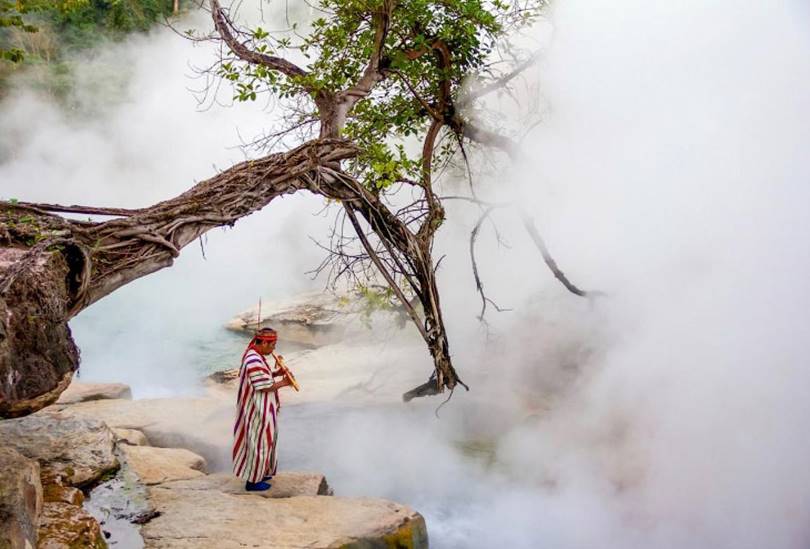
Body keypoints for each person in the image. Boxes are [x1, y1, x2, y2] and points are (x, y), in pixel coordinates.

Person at [232, 327, 292, 491]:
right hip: (257, 409)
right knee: (259, 442)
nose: (274, 348)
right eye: (272, 344)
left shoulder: (255, 355)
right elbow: (264, 386)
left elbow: (263, 377)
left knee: (268, 440)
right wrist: (285, 382)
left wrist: (277, 373)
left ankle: (263, 471)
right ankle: (253, 481)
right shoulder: (253, 360)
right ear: (264, 342)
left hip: (264, 407)